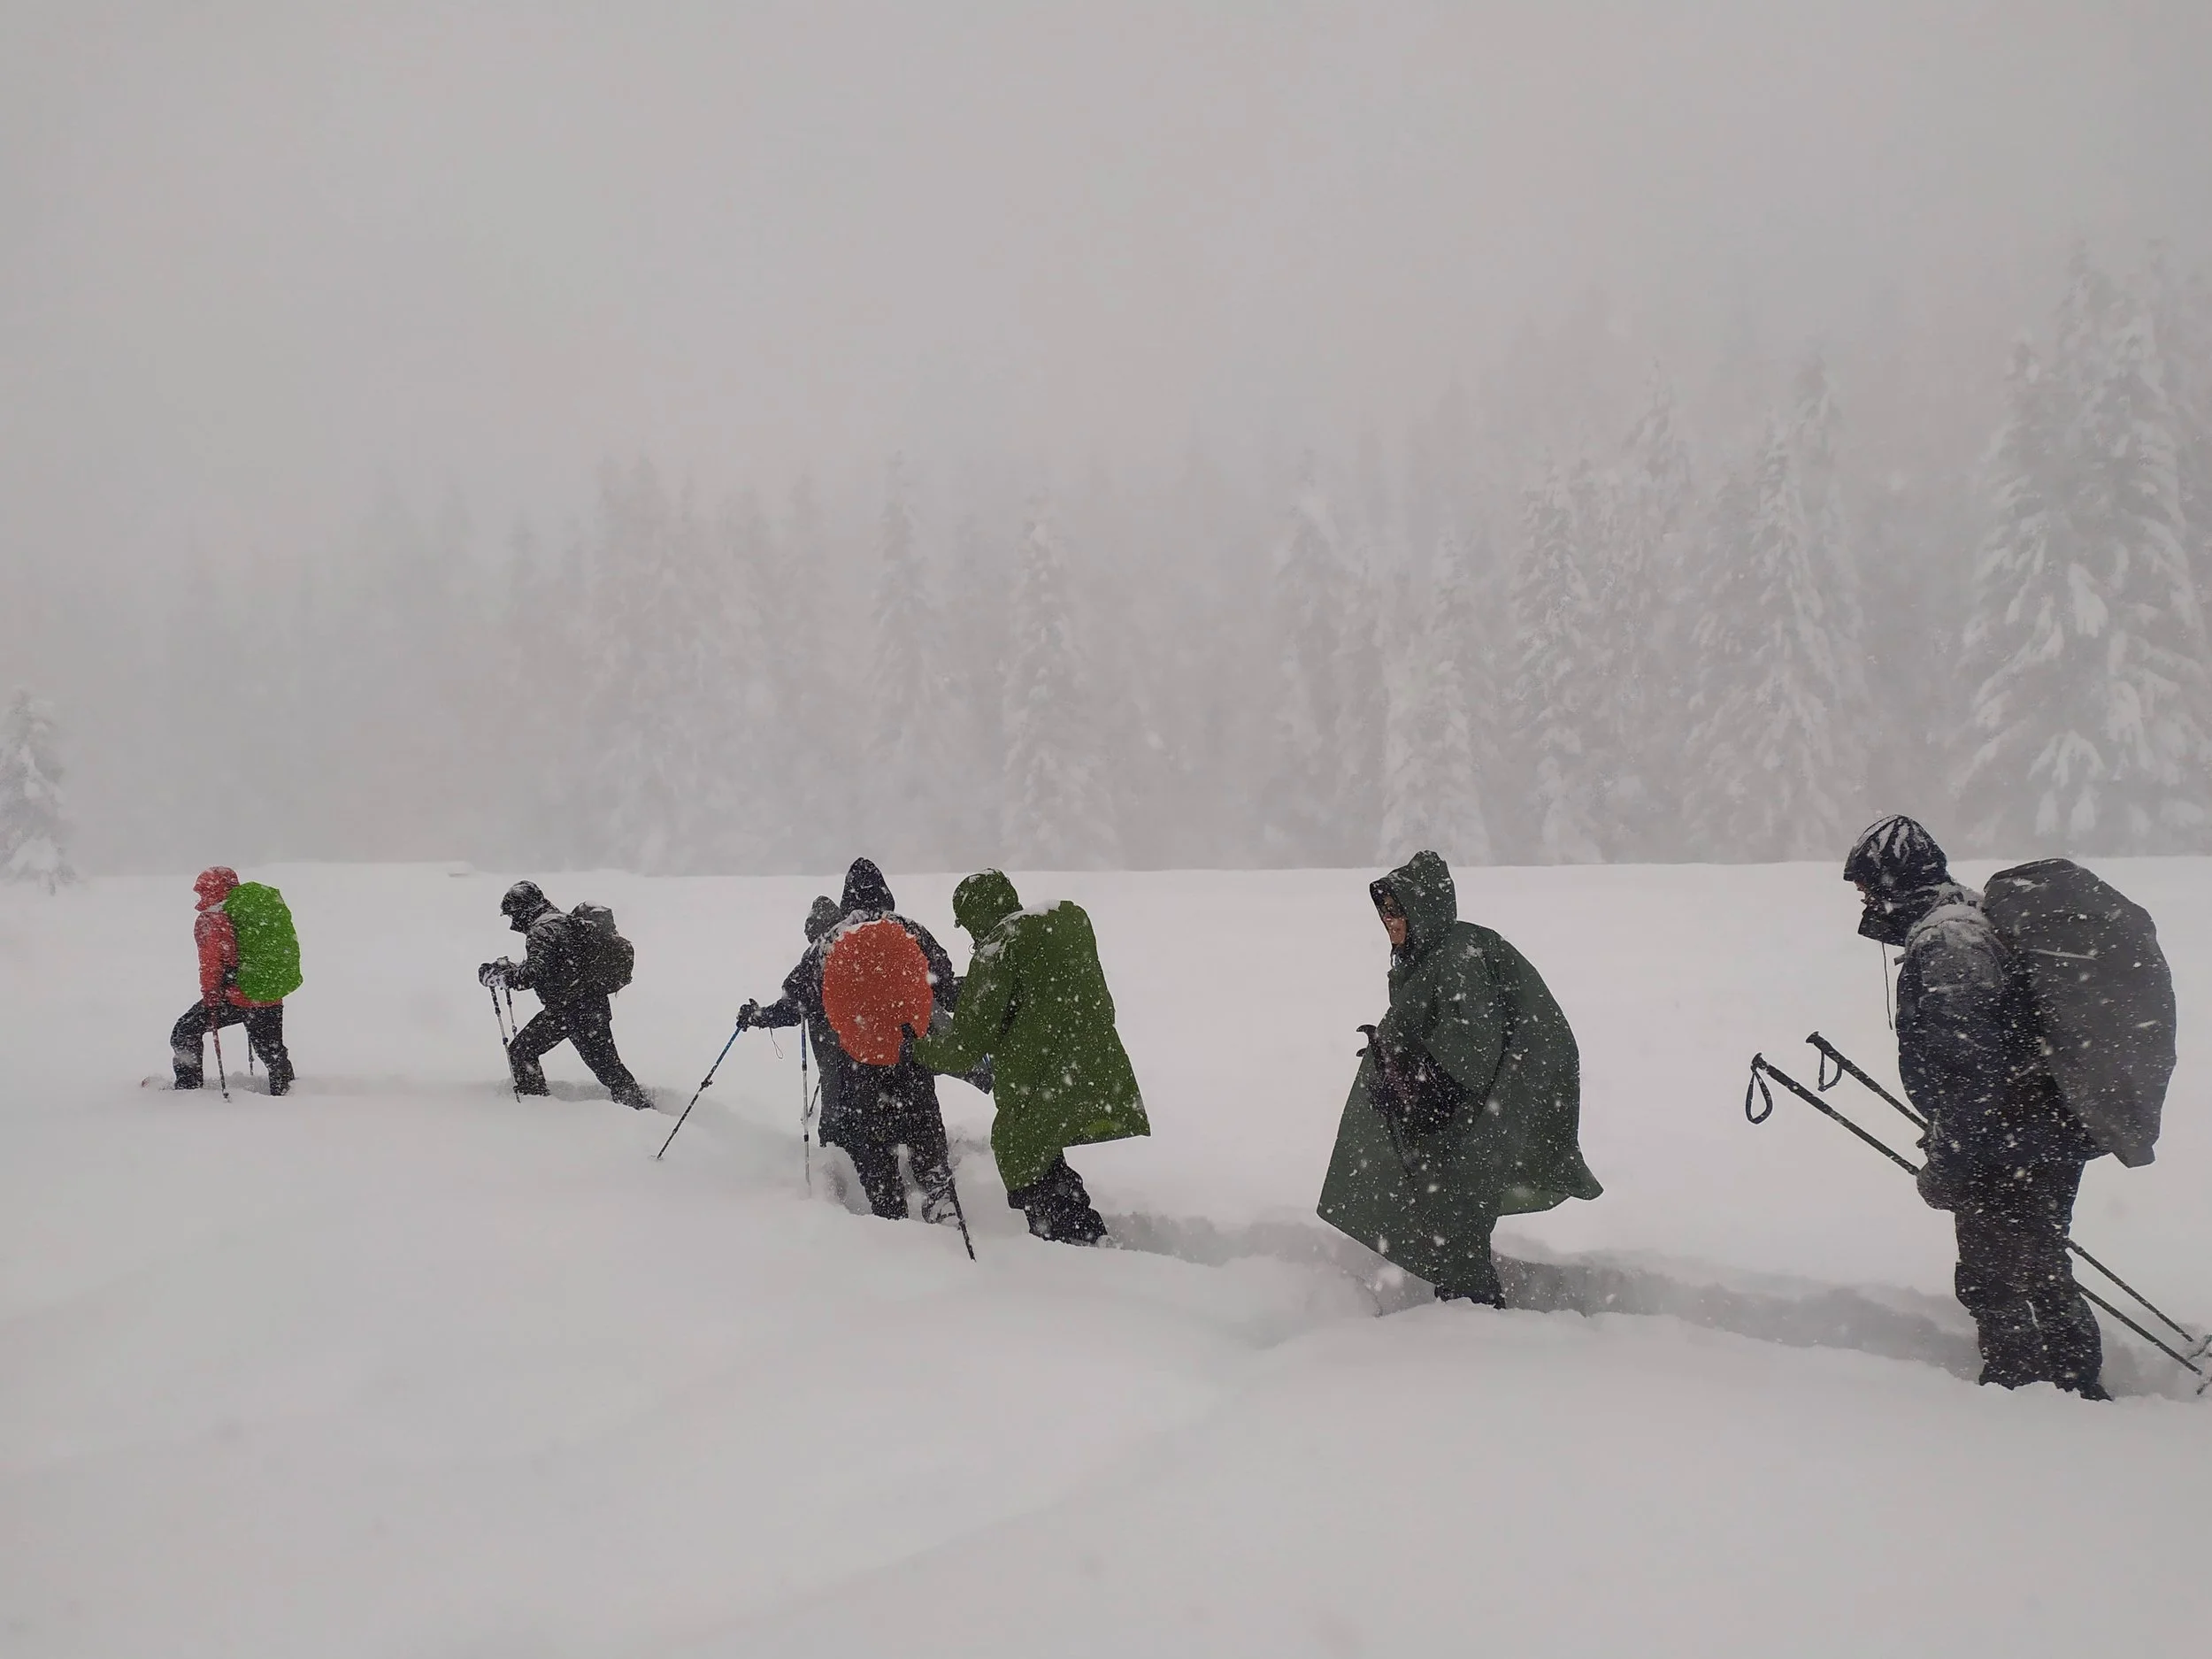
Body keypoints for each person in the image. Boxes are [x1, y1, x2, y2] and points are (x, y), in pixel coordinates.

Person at [1845, 815, 2107, 1397]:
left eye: (1866, 886)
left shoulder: (1949, 942)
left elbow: (1972, 1075)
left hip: (2014, 1137)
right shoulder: (1963, 922)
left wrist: (1950, 1161)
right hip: (2031, 1129)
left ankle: (2038, 1391)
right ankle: (2059, 1384)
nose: (1862, 899)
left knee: (2007, 1275)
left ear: (1893, 881)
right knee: (2033, 1261)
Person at [1317, 850, 1601, 1306]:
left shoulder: (1456, 953)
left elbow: (1473, 1043)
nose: (1388, 920)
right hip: (1492, 1086)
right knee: (1446, 1184)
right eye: (1384, 909)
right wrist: (1399, 1063)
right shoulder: (1429, 954)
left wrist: (1418, 1081)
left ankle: (1472, 1312)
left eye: (1397, 909)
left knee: (1460, 1187)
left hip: (1513, 1086)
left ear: (1421, 910)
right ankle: (1464, 1298)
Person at [914, 869, 1148, 1245]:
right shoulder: (1067, 922)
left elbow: (965, 1048)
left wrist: (916, 1049)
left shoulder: (998, 948)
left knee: (1021, 1149)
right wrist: (972, 990)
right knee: (1040, 1147)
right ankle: (1078, 1230)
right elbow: (1037, 985)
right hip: (1097, 1060)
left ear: (974, 914)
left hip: (1040, 1073)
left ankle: (1073, 1240)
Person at [774, 859, 964, 1225]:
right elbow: (940, 977)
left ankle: (888, 1214)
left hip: (862, 1061)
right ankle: (939, 1197)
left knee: (874, 1142)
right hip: (913, 1053)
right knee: (923, 1122)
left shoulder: (831, 940)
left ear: (847, 897)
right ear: (885, 891)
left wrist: (760, 1016)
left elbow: (796, 998)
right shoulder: (908, 928)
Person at [480, 879, 650, 1110]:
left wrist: (500, 977)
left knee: (522, 1051)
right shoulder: (562, 921)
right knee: (608, 1067)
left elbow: (531, 975)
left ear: (522, 910)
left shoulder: (542, 930)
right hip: (591, 1006)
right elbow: (555, 966)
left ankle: (536, 1106)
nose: (512, 921)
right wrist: (512, 968)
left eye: (512, 914)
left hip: (568, 1010)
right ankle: (638, 1107)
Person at [739, 893, 849, 1173]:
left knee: (836, 1113)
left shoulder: (817, 956)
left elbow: (793, 1005)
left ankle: (836, 1176)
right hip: (879, 1053)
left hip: (834, 1054)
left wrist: (759, 1016)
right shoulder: (864, 944)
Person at [170, 865, 296, 1094]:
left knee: (184, 1031)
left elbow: (211, 964)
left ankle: (187, 1087)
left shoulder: (213, 919)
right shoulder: (253, 911)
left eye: (202, 891)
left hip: (235, 996)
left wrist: (211, 995)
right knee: (271, 1049)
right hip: (268, 990)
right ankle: (287, 1089)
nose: (200, 897)